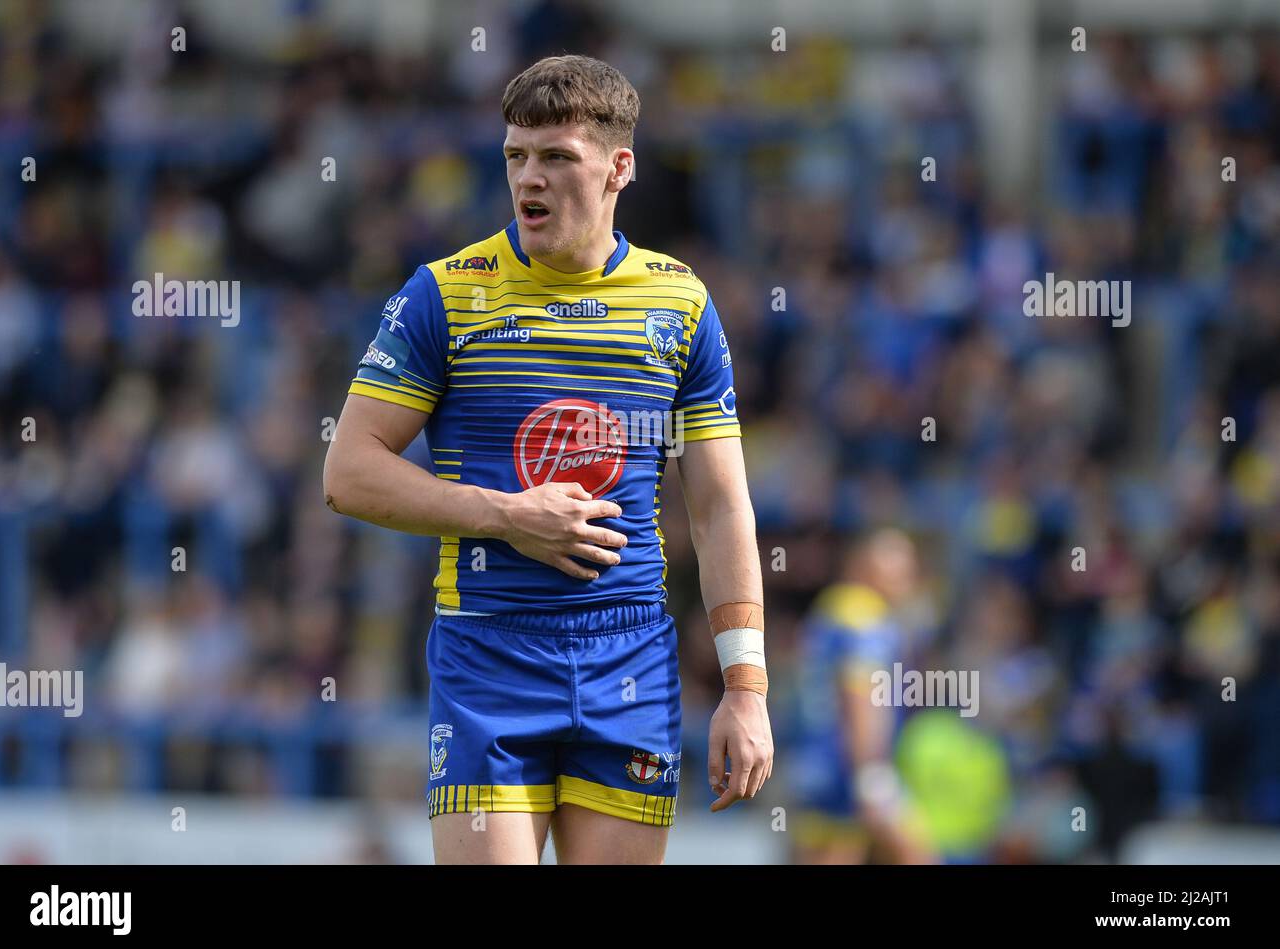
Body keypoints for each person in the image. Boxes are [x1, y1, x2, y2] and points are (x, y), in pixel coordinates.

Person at [322, 54, 773, 864]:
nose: (530, 178)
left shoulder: (680, 303)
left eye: (557, 157)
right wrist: (505, 514)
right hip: (489, 655)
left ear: (617, 169)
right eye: (515, 157)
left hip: (630, 659)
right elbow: (348, 471)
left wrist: (746, 686)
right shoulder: (446, 294)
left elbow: (720, 506)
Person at [790, 528, 936, 864]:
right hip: (847, 768)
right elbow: (860, 696)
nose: (907, 579)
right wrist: (870, 774)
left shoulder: (828, 611)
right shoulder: (864, 618)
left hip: (814, 764)